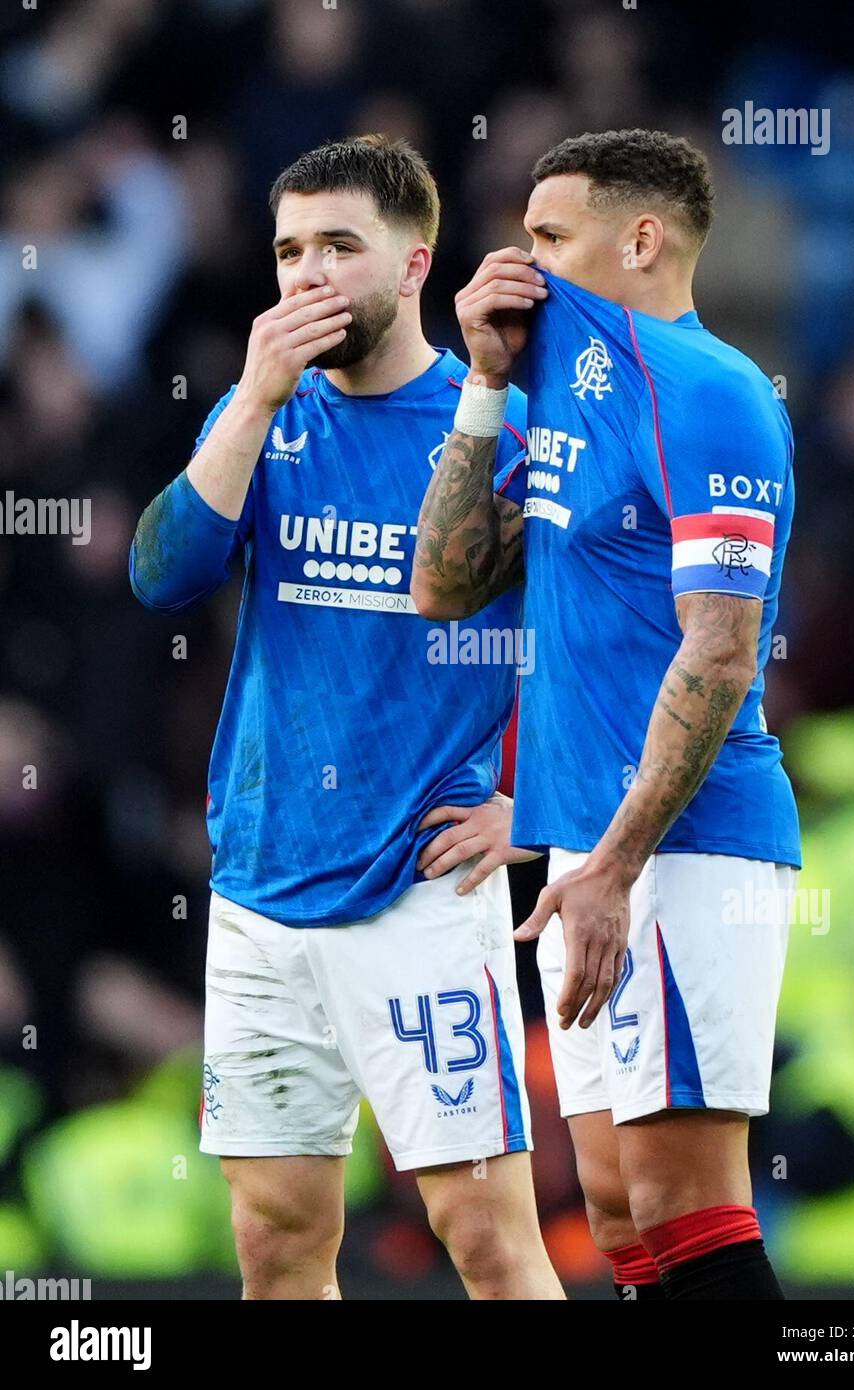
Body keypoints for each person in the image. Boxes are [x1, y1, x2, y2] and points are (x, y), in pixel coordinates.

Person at [130, 134, 563, 1301]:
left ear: (414, 262)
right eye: (286, 251)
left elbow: (608, 646)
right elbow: (161, 575)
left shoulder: (492, 433)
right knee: (276, 1242)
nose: (306, 275)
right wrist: (257, 395)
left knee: (483, 1236)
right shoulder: (260, 415)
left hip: (420, 890)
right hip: (263, 882)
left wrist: (538, 806)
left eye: (338, 246)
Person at [413, 128, 800, 1300]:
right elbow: (442, 581)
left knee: (689, 1206)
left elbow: (721, 651)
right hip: (591, 851)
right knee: (621, 1213)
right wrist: (479, 385)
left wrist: (616, 867)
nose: (516, 265)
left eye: (547, 237)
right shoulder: (561, 390)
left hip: (682, 844)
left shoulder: (712, 393)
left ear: (639, 240)